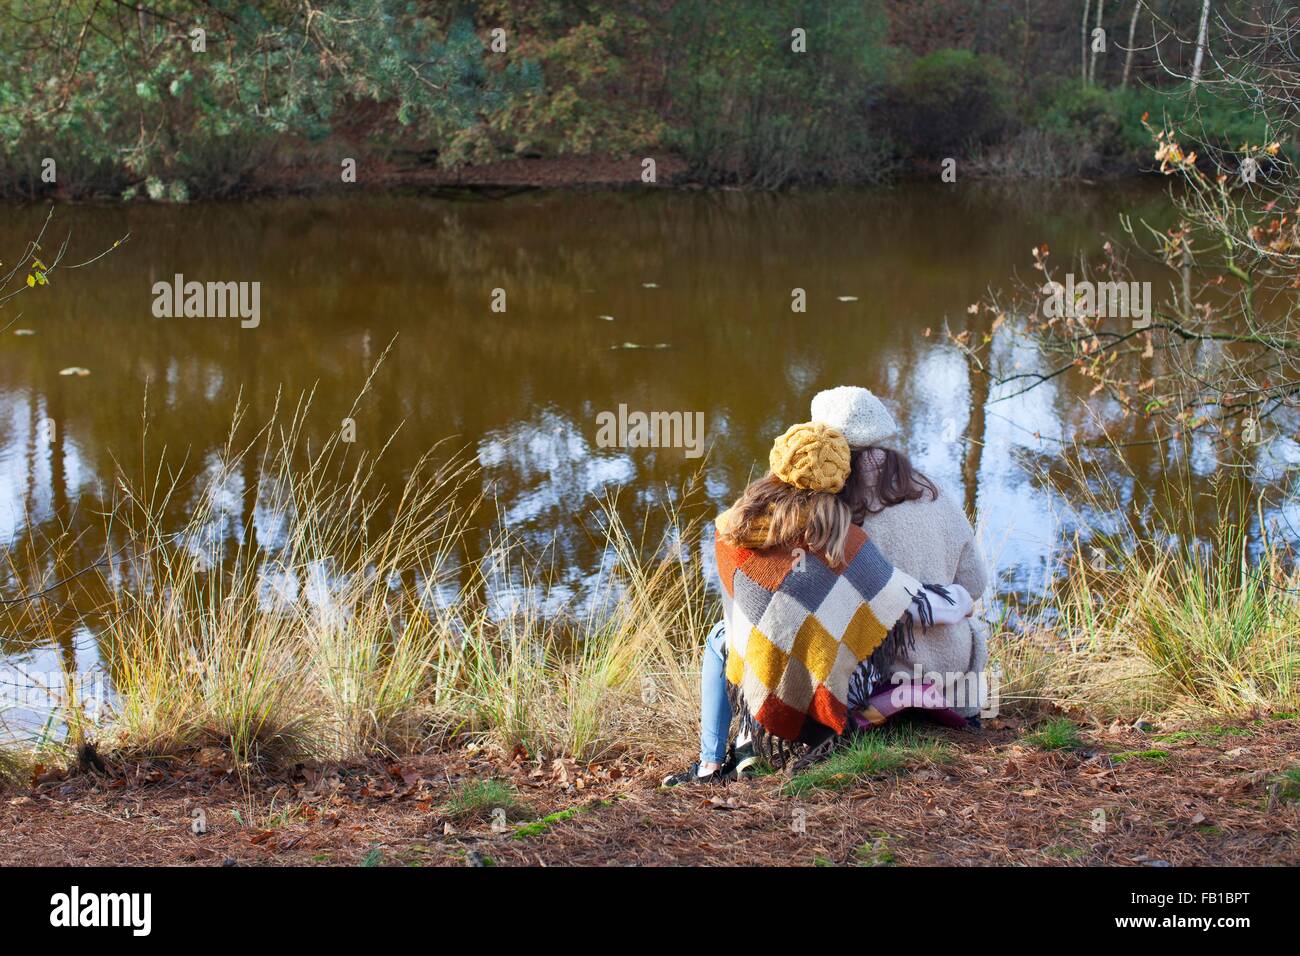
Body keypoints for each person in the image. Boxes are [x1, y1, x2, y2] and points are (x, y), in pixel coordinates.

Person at [663, 421, 972, 787]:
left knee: (723, 638)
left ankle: (712, 763)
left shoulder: (733, 530)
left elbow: (740, 621)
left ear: (778, 464)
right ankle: (763, 743)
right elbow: (907, 602)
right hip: (832, 690)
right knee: (835, 640)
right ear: (838, 480)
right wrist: (962, 599)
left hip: (763, 673)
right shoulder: (848, 543)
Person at [811, 386, 990, 720]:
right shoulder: (931, 489)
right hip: (951, 666)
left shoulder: (834, 509)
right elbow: (975, 584)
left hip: (886, 674)